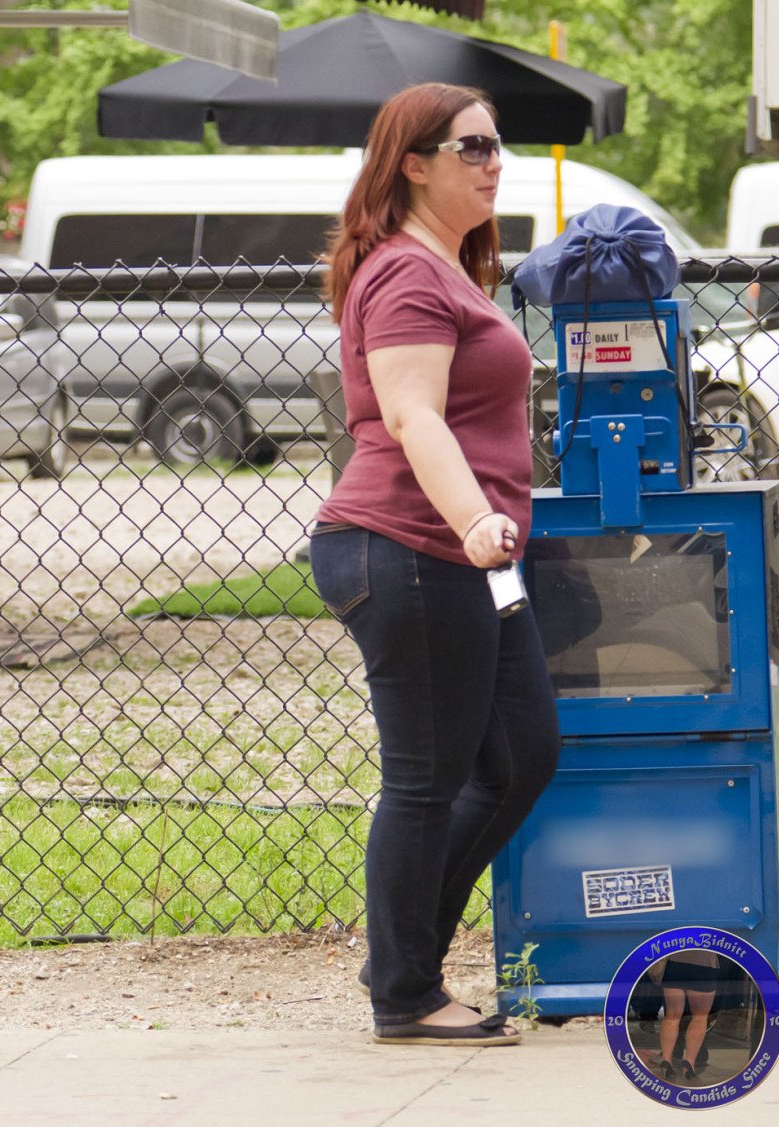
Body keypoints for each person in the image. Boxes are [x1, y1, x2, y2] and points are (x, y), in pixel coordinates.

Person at [310, 83, 559, 1047]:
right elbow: (413, 415)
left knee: (518, 757)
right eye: (474, 147)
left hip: (459, 554)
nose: (495, 162)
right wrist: (473, 521)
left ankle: (399, 955)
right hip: (412, 546)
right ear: (414, 163)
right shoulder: (407, 276)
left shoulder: (444, 268)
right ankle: (407, 991)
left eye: (499, 147)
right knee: (427, 775)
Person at [650, 950, 718, 1081]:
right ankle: (689, 1064)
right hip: (705, 963)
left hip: (676, 962)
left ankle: (666, 1061)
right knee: (700, 1017)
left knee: (672, 1016)